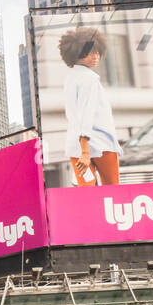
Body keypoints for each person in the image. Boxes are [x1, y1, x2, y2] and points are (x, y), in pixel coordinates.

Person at [57, 26, 121, 186]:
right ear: (76, 52)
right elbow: (87, 113)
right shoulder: (90, 79)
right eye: (90, 52)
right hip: (100, 145)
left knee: (87, 195)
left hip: (76, 146)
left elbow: (74, 116)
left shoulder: (70, 78)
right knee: (112, 194)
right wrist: (85, 151)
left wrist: (82, 150)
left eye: (98, 52)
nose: (96, 56)